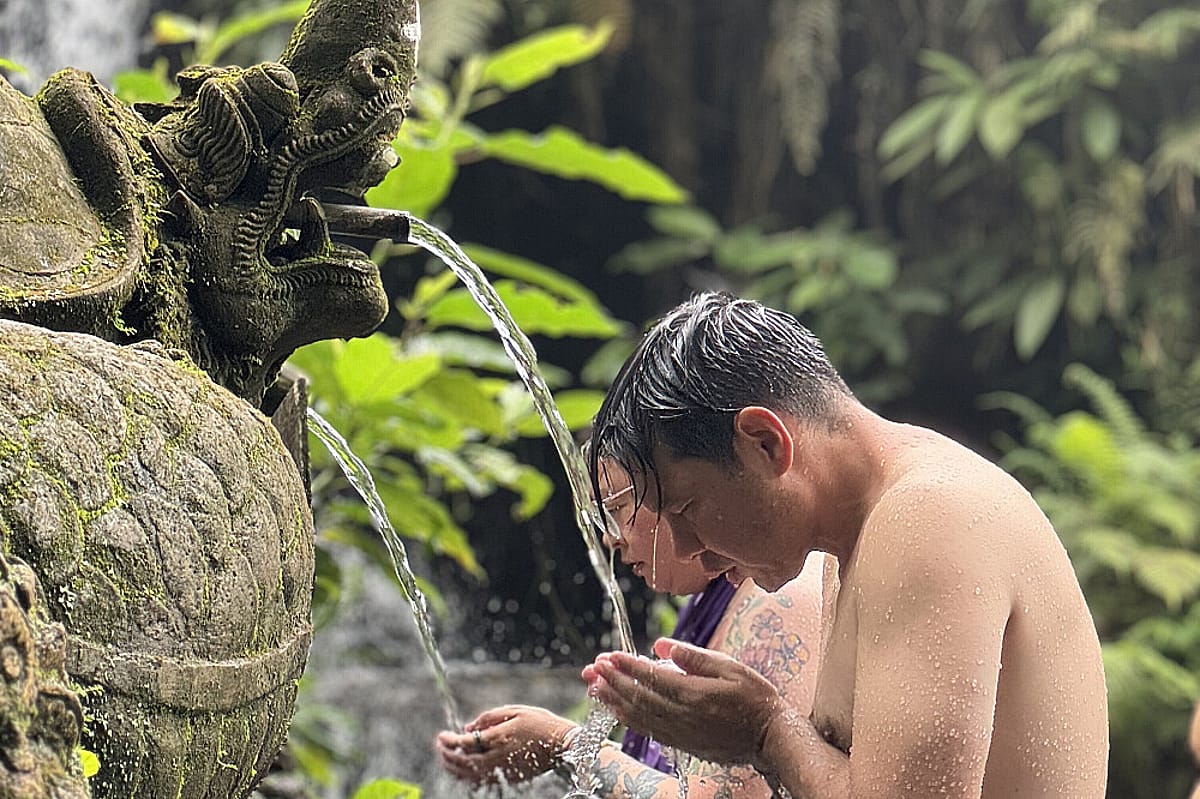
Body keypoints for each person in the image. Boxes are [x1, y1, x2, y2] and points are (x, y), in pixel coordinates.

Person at [581, 291, 1109, 798]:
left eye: (687, 510)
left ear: (766, 443)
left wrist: (764, 732)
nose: (686, 547)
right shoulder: (861, 538)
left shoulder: (928, 515)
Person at [435, 455, 826, 798]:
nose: (609, 537)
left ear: (675, 491)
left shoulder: (778, 598)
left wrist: (564, 744)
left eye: (616, 508)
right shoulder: (719, 601)